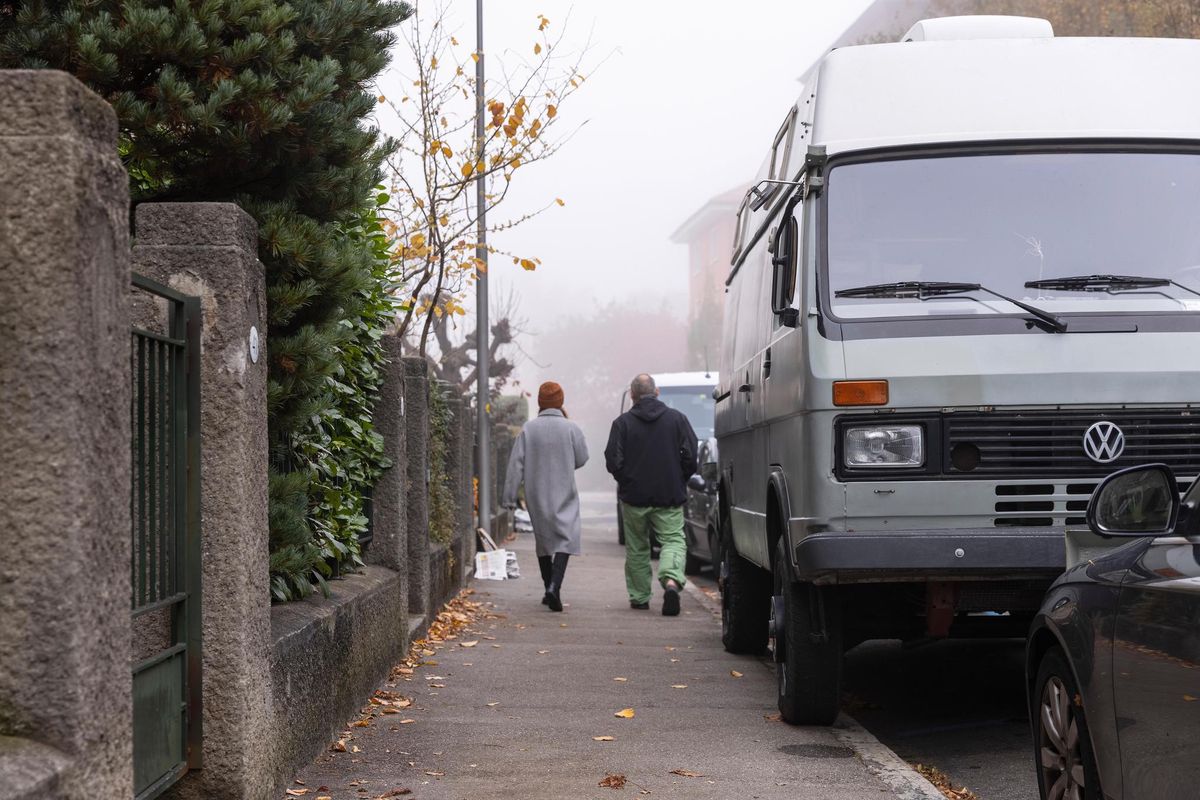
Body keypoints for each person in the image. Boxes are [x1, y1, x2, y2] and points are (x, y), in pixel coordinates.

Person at [605, 373, 698, 616]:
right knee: (673, 541)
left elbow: (613, 460)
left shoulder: (622, 423)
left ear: (632, 395)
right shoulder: (677, 419)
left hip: (634, 497)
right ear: (657, 392)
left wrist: (626, 480)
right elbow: (690, 455)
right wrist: (679, 478)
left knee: (637, 547)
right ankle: (671, 581)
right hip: (669, 495)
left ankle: (639, 598)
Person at [502, 381, 589, 612]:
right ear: (560, 401)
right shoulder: (571, 428)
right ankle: (554, 587)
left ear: (540, 402)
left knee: (543, 542)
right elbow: (582, 458)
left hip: (536, 493)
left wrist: (509, 498)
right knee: (566, 538)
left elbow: (515, 466)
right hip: (565, 491)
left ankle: (548, 588)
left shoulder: (528, 429)